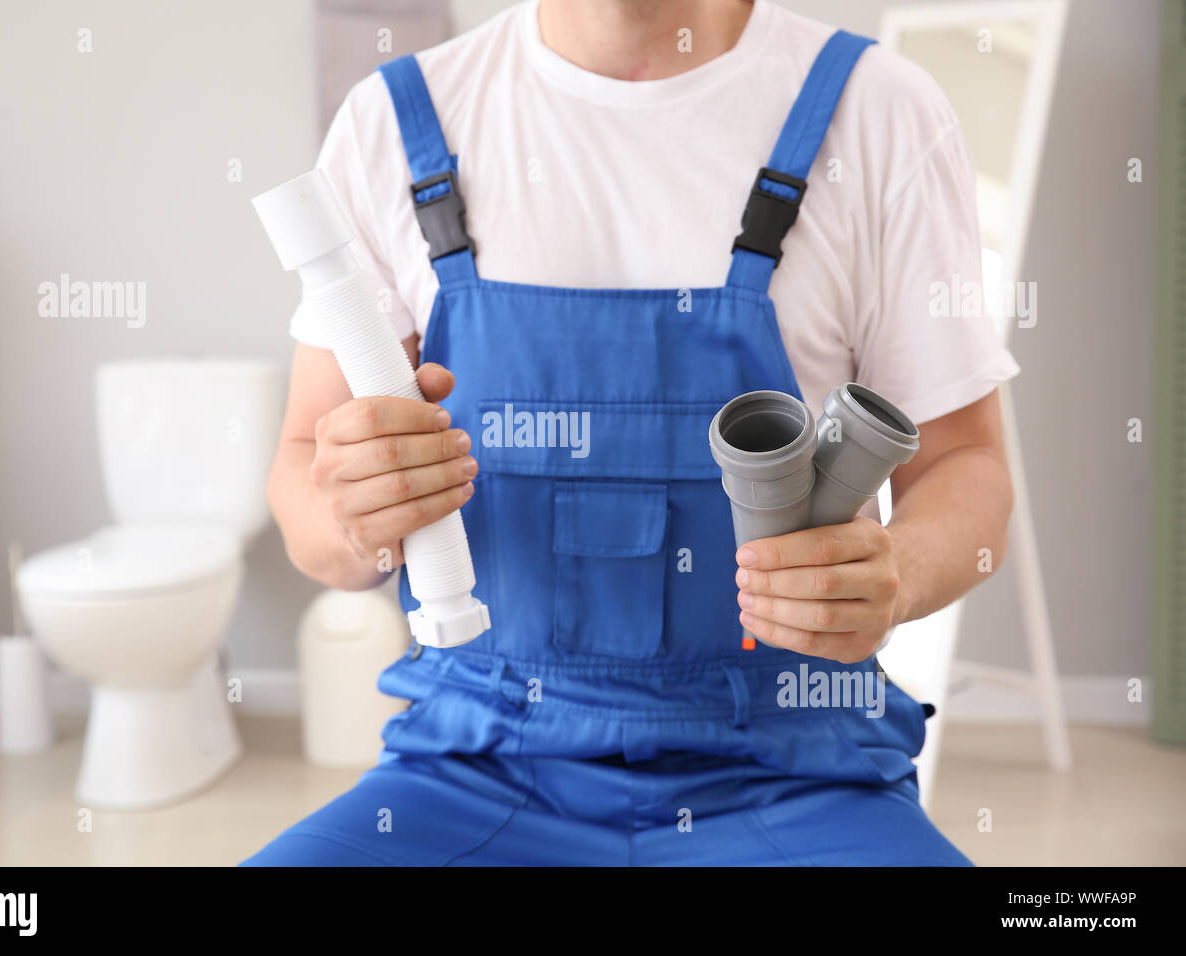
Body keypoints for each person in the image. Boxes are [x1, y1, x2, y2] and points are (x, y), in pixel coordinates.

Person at [243, 0, 1017, 866]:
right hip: (473, 764)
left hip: (797, 768)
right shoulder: (393, 121)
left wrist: (897, 574)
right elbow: (304, 467)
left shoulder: (880, 112)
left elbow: (965, 463)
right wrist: (354, 520)